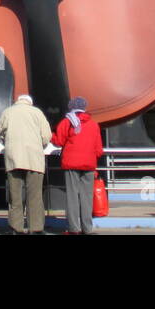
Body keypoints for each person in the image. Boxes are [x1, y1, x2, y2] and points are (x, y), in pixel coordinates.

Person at [0, 94, 52, 234]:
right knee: (35, 196)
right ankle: (36, 228)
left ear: (17, 101)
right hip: (34, 159)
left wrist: (8, 143)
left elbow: (1, 134)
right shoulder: (37, 113)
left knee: (15, 197)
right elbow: (46, 136)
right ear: (30, 102)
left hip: (13, 159)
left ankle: (16, 228)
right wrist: (40, 145)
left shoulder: (7, 112)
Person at [50, 96, 103, 234]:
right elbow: (98, 149)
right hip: (89, 164)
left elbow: (59, 141)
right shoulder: (93, 124)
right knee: (87, 197)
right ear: (84, 108)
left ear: (71, 107)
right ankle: (87, 228)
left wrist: (50, 135)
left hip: (71, 163)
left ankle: (74, 228)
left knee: (72, 196)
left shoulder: (67, 122)